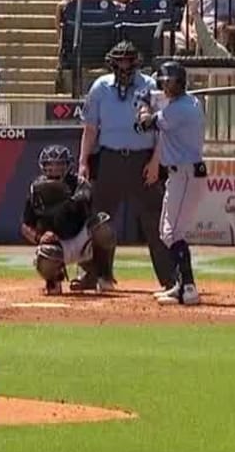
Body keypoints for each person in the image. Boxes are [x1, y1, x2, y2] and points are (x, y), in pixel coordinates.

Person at [78, 41, 176, 291]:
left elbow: (163, 129)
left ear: (136, 63)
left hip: (141, 159)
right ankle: (97, 275)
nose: (124, 67)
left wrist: (155, 162)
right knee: (99, 220)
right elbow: (90, 128)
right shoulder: (100, 87)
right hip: (110, 158)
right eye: (119, 62)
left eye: (128, 62)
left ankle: (169, 280)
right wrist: (83, 161)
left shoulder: (150, 86)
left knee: (154, 221)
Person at [137, 61, 206, 306]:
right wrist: (152, 99)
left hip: (186, 174)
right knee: (166, 233)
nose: (166, 85)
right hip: (179, 175)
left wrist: (143, 106)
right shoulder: (188, 103)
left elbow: (144, 126)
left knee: (174, 232)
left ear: (179, 83)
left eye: (170, 81)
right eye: (165, 82)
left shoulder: (179, 110)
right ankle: (179, 285)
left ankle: (188, 288)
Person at [22, 144, 116, 295]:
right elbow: (26, 225)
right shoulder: (36, 188)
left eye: (59, 164)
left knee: (102, 226)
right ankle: (53, 281)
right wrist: (40, 237)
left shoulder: (79, 183)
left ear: (68, 165)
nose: (55, 168)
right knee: (45, 255)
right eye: (50, 164)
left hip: (80, 238)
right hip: (56, 243)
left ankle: (103, 275)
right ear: (43, 166)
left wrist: (64, 200)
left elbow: (85, 198)